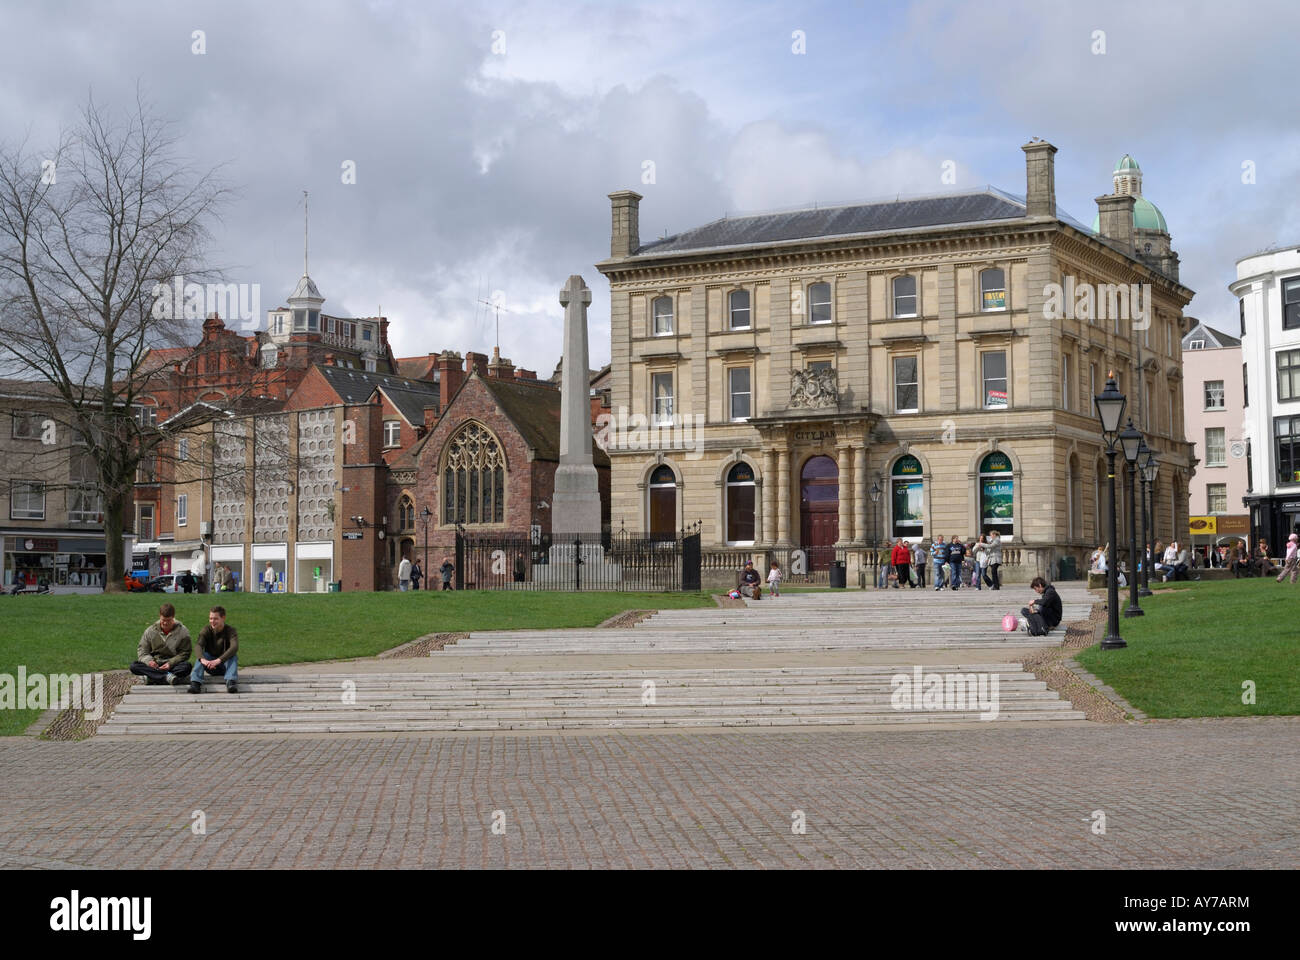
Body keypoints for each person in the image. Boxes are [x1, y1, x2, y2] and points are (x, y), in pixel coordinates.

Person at [129, 603, 192, 686]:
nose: (165, 623)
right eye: (163, 620)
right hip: (155, 663)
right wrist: (150, 662)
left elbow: (185, 653)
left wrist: (170, 663)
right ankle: (167, 677)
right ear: (159, 616)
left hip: (172, 664)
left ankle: (152, 677)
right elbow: (142, 651)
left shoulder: (183, 631)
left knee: (186, 667)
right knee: (134, 666)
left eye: (168, 620)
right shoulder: (150, 631)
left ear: (173, 617)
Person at [189, 605, 238, 694]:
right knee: (202, 656)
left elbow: (234, 647)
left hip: (225, 665)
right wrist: (203, 659)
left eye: (215, 619)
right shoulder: (206, 630)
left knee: (233, 656)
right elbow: (198, 645)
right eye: (210, 618)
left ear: (223, 618)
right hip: (210, 665)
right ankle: (195, 683)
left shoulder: (231, 631)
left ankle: (231, 682)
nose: (212, 621)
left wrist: (219, 660)